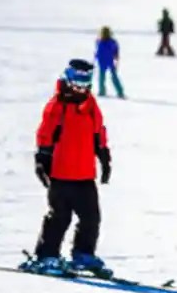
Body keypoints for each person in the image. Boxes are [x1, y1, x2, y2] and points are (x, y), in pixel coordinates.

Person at [21, 59, 113, 278]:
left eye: (86, 81)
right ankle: (46, 255)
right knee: (59, 217)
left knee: (91, 217)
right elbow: (45, 134)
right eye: (77, 81)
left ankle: (83, 254)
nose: (81, 87)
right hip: (61, 174)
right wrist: (42, 159)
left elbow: (98, 131)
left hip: (84, 174)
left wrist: (104, 155)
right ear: (68, 79)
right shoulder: (57, 106)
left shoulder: (90, 105)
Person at [94, 26, 125, 98]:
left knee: (104, 77)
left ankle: (104, 91)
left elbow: (98, 52)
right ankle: (119, 92)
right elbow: (115, 50)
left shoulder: (100, 42)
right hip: (107, 61)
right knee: (109, 77)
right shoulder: (110, 42)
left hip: (106, 61)